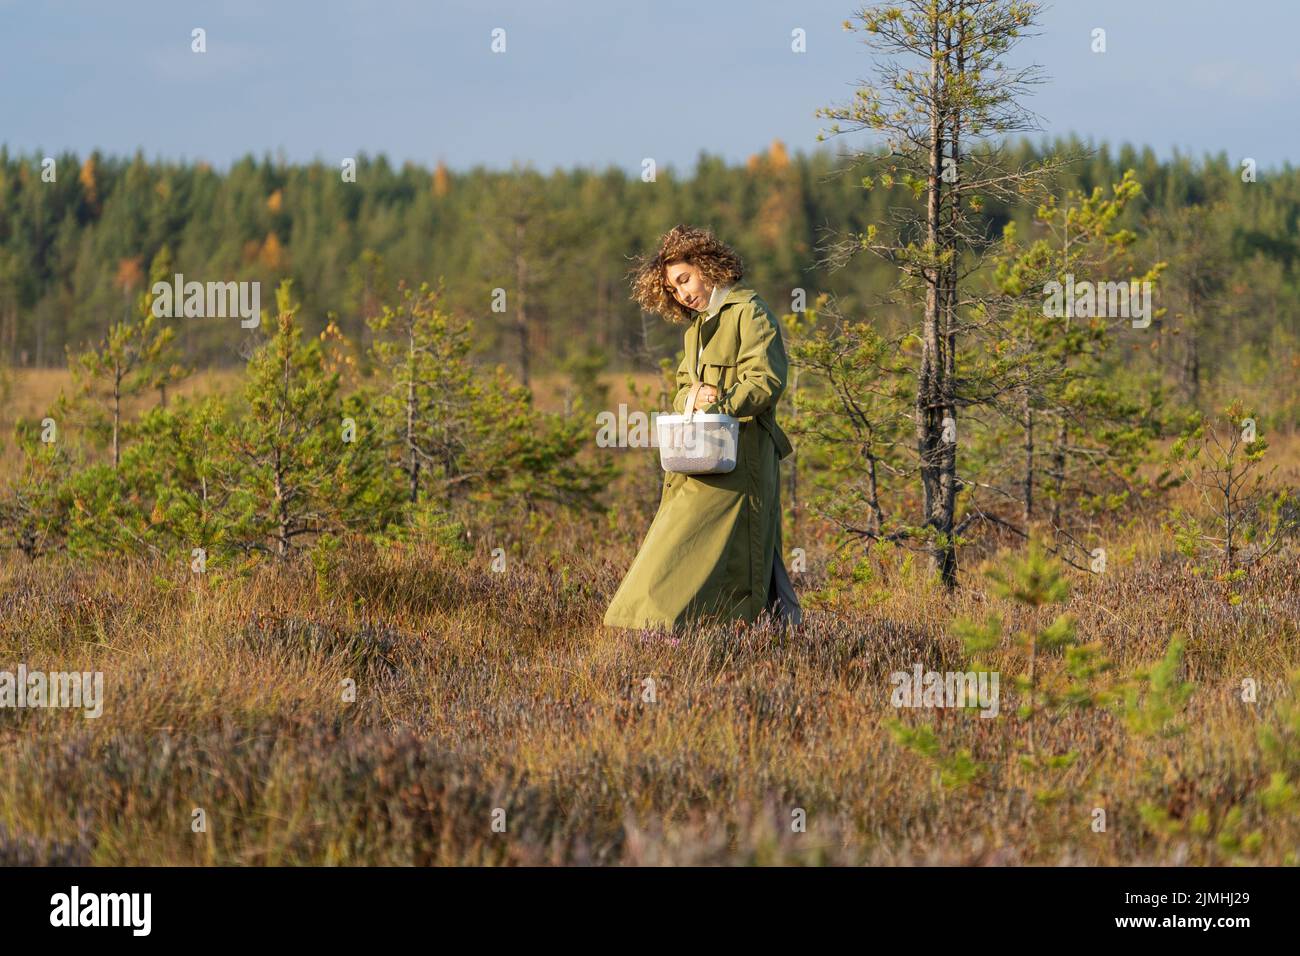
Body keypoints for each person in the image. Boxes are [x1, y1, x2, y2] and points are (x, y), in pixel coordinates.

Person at [603, 224, 802, 634]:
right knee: (679, 542)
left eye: (684, 279)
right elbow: (682, 389)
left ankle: (700, 632)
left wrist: (719, 405)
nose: (681, 293)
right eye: (673, 289)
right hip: (703, 455)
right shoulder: (695, 329)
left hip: (744, 456)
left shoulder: (750, 312)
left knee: (739, 548)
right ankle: (655, 628)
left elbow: (766, 380)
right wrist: (694, 397)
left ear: (707, 266)